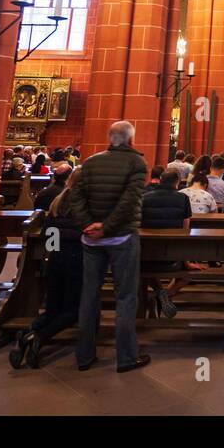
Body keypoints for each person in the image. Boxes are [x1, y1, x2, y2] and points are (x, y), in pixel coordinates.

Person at [69, 120, 149, 373]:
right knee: (125, 297)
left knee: (89, 294)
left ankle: (84, 356)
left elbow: (75, 195)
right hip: (122, 237)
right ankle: (126, 357)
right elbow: (129, 201)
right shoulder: (136, 162)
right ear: (131, 140)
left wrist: (88, 225)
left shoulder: (90, 162)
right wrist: (106, 227)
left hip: (92, 240)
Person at [11, 166, 84, 369]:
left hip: (55, 260)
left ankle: (27, 332)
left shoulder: (56, 201)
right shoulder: (85, 204)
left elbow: (49, 234)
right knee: (73, 309)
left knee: (53, 308)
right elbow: (86, 234)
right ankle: (38, 337)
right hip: (76, 260)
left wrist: (53, 255)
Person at [140, 169, 193, 318]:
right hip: (172, 258)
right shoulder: (182, 198)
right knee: (186, 274)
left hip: (145, 255)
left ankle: (159, 293)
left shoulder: (145, 197)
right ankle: (163, 296)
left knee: (145, 269)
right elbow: (185, 230)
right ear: (177, 182)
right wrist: (186, 261)